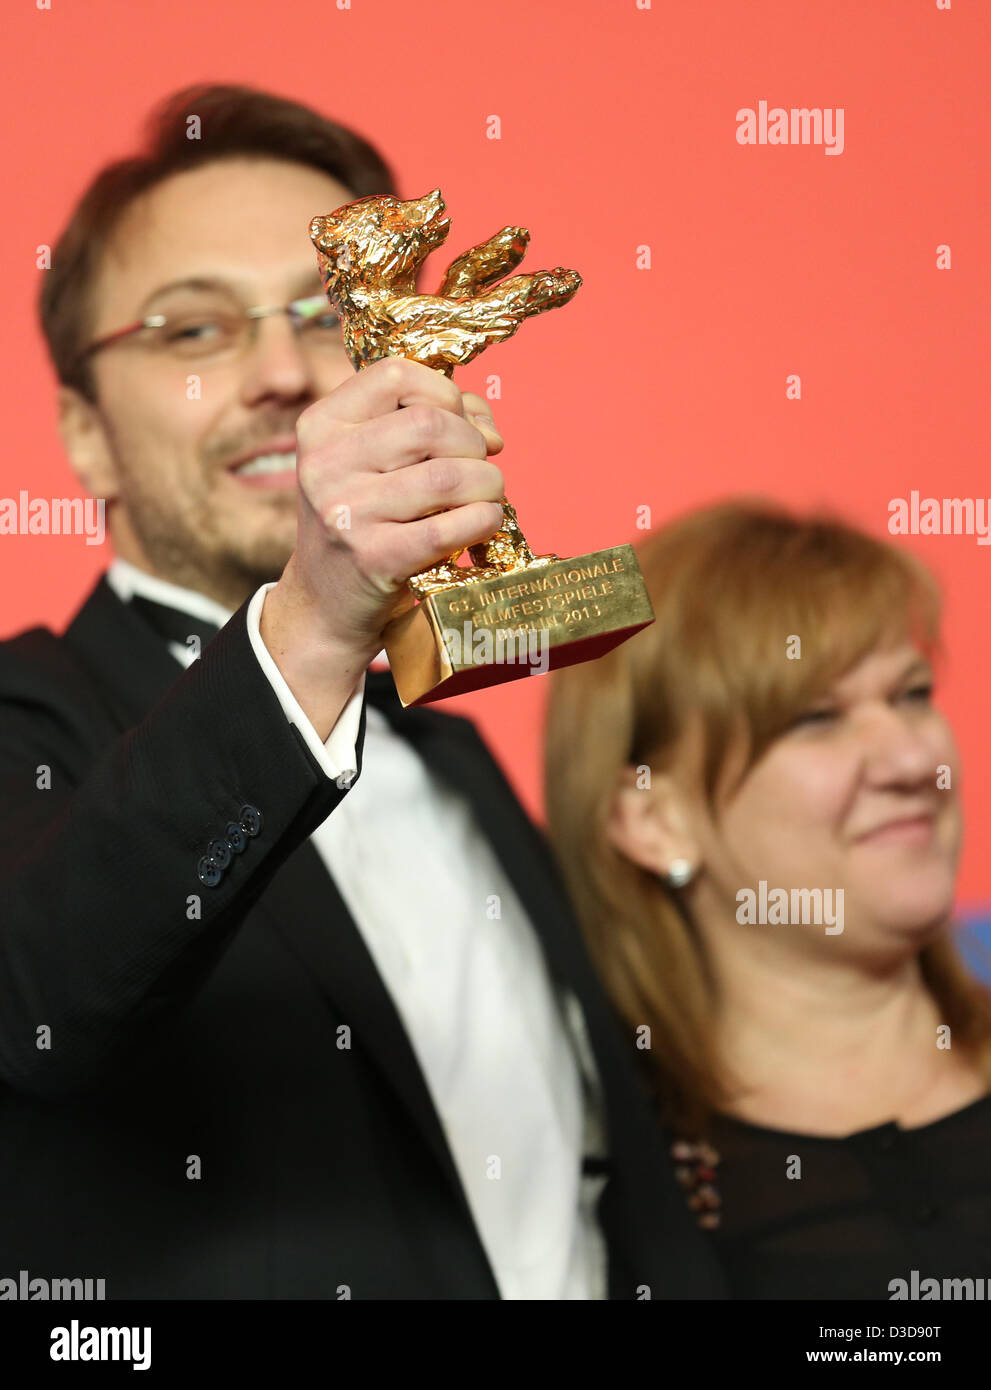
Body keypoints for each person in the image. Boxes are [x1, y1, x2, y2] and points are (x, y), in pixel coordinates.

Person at [0, 83, 727, 1301]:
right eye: (192, 330)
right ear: (81, 431)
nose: (284, 372)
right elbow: (39, 1006)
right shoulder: (30, 719)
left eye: (324, 314)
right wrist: (315, 623)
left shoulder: (454, 758)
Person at [545, 500, 991, 1300]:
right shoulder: (583, 1198)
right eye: (816, 718)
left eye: (912, 695)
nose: (906, 757)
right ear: (652, 818)